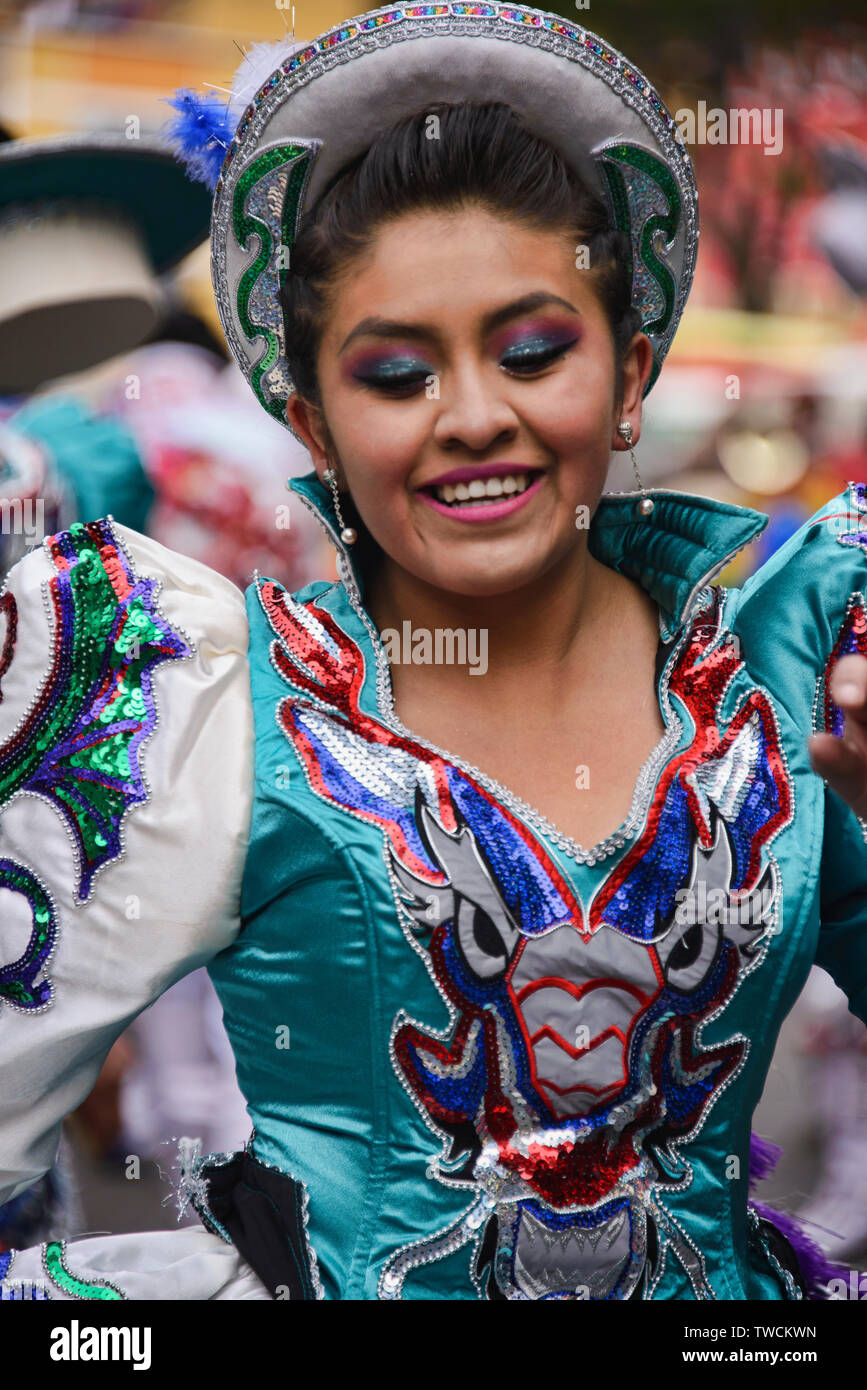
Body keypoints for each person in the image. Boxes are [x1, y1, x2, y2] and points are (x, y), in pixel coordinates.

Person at [0, 4, 866, 1302]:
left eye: (533, 350)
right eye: (396, 373)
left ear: (631, 372)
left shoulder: (796, 682)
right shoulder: (213, 700)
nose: (474, 416)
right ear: (313, 421)